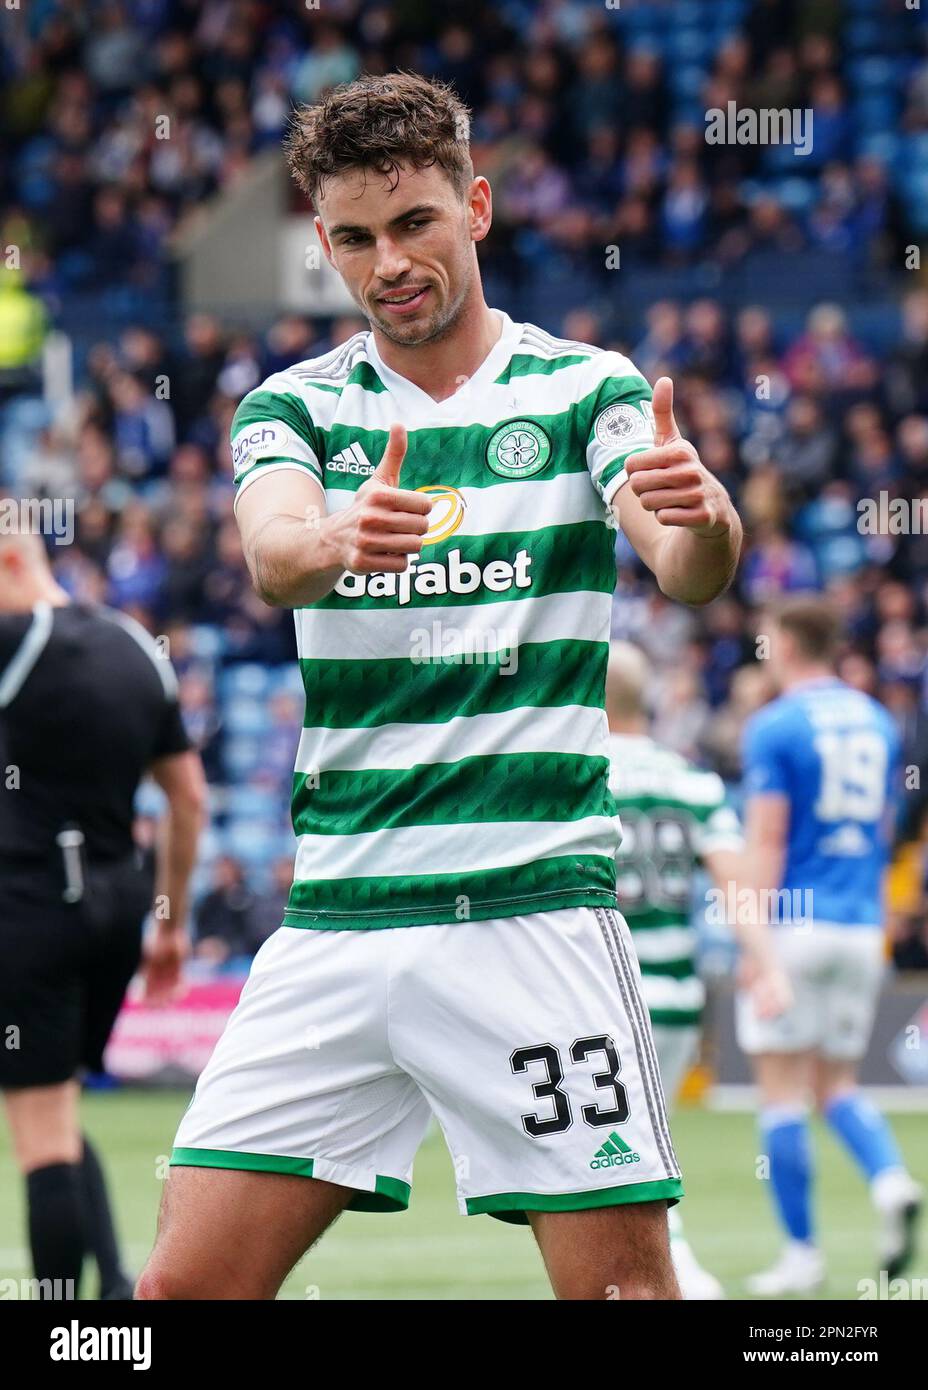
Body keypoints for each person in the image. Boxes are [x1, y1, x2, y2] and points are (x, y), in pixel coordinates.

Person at [137, 72, 742, 1302]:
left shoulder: (585, 389)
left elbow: (680, 564)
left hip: (532, 917)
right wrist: (333, 537)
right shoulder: (292, 407)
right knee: (171, 1304)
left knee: (624, 1295)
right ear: (323, 245)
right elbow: (272, 554)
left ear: (472, 206)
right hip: (339, 923)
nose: (389, 262)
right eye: (355, 238)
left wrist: (708, 520)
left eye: (413, 223)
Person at [0, 528, 207, 1299]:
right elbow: (187, 796)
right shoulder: (132, 643)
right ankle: (115, 1285)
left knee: (41, 1133)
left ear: (13, 557)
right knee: (54, 1097)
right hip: (118, 907)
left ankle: (64, 1332)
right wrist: (173, 923)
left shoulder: (20, 643)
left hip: (32, 900)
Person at [738, 595, 923, 1295]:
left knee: (782, 1091)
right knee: (837, 1084)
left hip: (797, 924)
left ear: (785, 644)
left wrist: (754, 947)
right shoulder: (876, 719)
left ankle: (801, 1255)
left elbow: (768, 839)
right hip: (859, 923)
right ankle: (890, 1181)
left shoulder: (775, 725)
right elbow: (881, 833)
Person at [605, 641, 788, 1299]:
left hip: (597, 993)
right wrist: (765, 966)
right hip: (677, 994)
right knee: (641, 1149)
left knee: (612, 1160)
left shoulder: (574, 774)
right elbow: (737, 888)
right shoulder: (692, 780)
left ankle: (677, 1274)